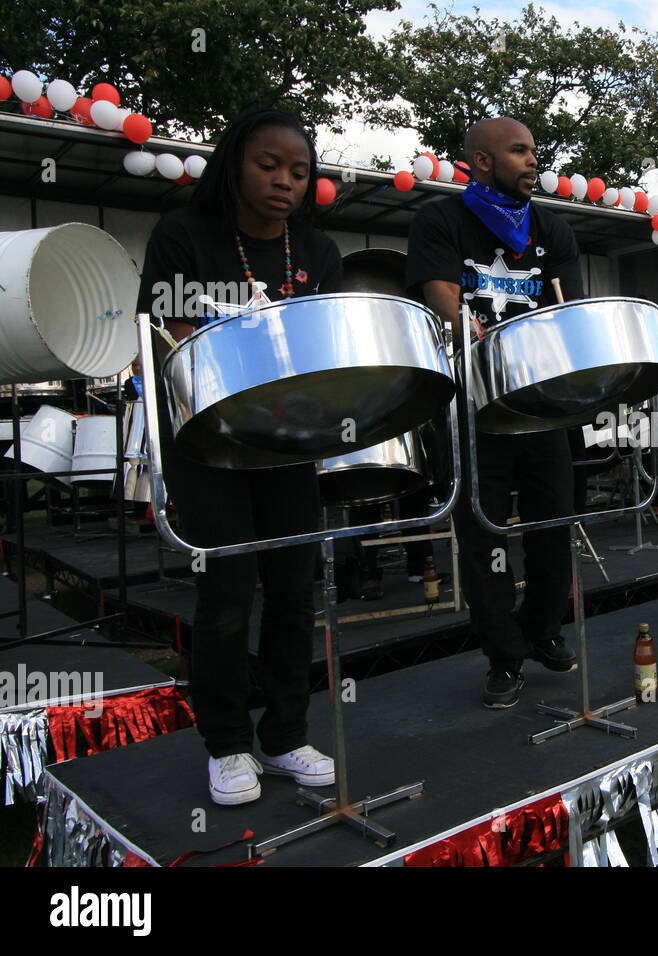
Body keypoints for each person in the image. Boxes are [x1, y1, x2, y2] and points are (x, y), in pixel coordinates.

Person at [136, 108, 341, 806]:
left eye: (299, 172)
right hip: (211, 442)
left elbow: (323, 348)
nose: (285, 181)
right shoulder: (183, 235)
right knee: (225, 594)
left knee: (293, 590)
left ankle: (285, 735)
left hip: (287, 442)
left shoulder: (317, 249)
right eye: (268, 165)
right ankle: (226, 743)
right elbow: (175, 340)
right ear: (235, 164)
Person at [407, 117, 581, 708]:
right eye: (519, 151)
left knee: (555, 525)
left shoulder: (552, 228)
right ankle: (504, 655)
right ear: (482, 161)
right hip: (474, 403)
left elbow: (567, 307)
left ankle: (543, 627)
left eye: (534, 151)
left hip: (540, 402)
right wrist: (464, 322)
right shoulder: (440, 219)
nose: (533, 160)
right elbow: (439, 291)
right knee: (484, 536)